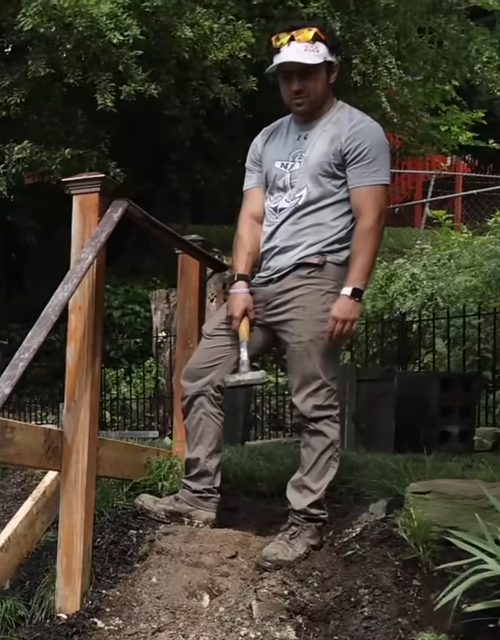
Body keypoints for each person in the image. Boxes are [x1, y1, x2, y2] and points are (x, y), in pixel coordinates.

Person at [138, 20, 390, 569]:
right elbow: (251, 217)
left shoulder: (357, 131)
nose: (295, 85)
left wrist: (353, 290)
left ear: (331, 72)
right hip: (262, 283)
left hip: (318, 277)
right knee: (200, 375)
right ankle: (198, 497)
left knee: (313, 401)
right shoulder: (266, 140)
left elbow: (372, 219)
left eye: (305, 74)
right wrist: (240, 280)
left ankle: (306, 521)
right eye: (286, 77)